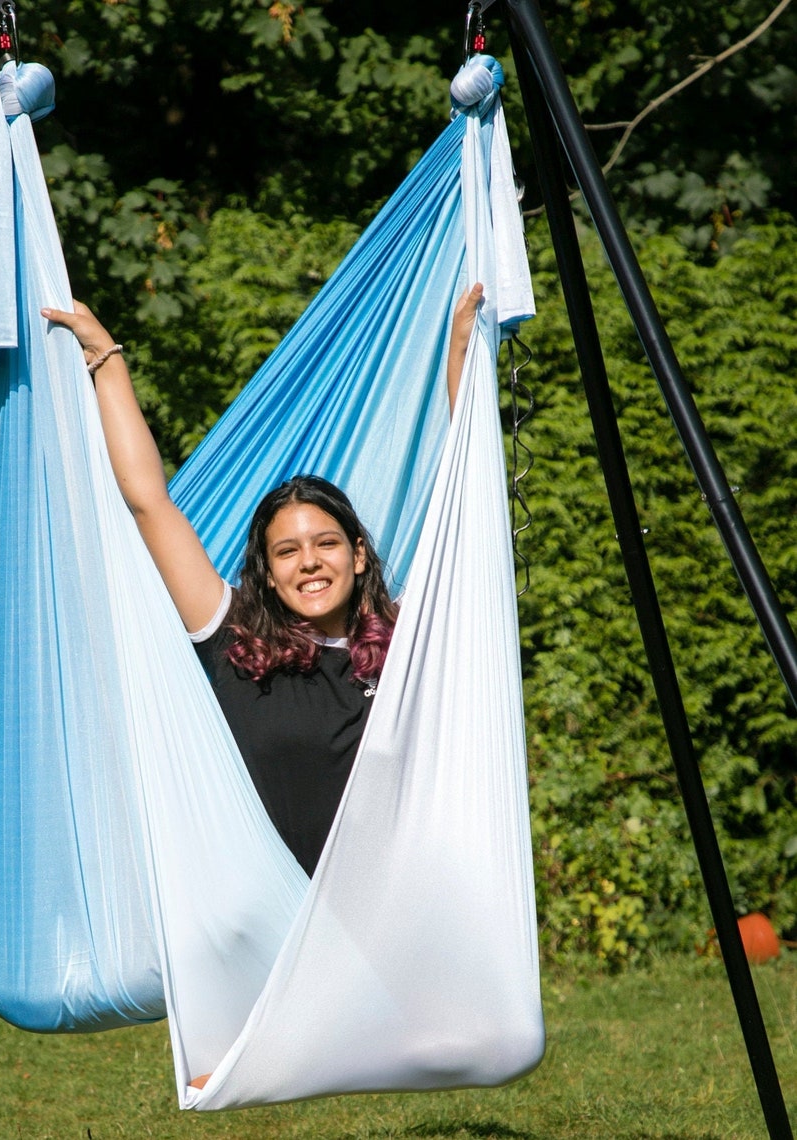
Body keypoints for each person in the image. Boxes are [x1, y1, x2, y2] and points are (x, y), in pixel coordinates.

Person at [40, 283, 482, 878]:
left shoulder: (407, 642)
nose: (308, 562)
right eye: (287, 551)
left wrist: (459, 356)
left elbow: (465, 509)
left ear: (357, 555)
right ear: (269, 575)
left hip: (391, 923)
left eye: (326, 544)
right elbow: (148, 502)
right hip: (269, 931)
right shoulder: (232, 637)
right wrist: (106, 358)